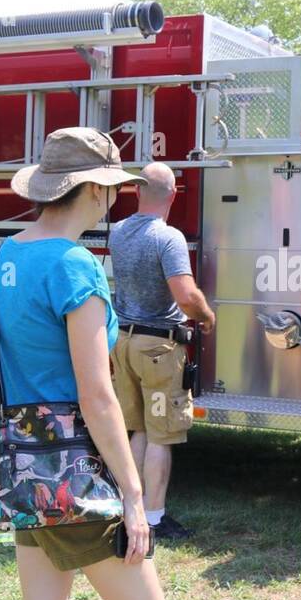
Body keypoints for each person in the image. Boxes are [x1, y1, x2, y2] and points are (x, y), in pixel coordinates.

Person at [0, 127, 168, 600]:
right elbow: (97, 395)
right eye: (113, 186)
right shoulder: (75, 265)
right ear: (95, 190)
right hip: (76, 469)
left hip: (23, 462)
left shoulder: (7, 255)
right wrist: (135, 494)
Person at [108, 162, 215, 540]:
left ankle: (130, 509)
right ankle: (154, 518)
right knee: (161, 434)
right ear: (173, 195)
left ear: (137, 191)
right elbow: (186, 296)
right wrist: (205, 315)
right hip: (157, 350)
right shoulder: (167, 238)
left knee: (137, 428)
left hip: (124, 343)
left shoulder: (118, 232)